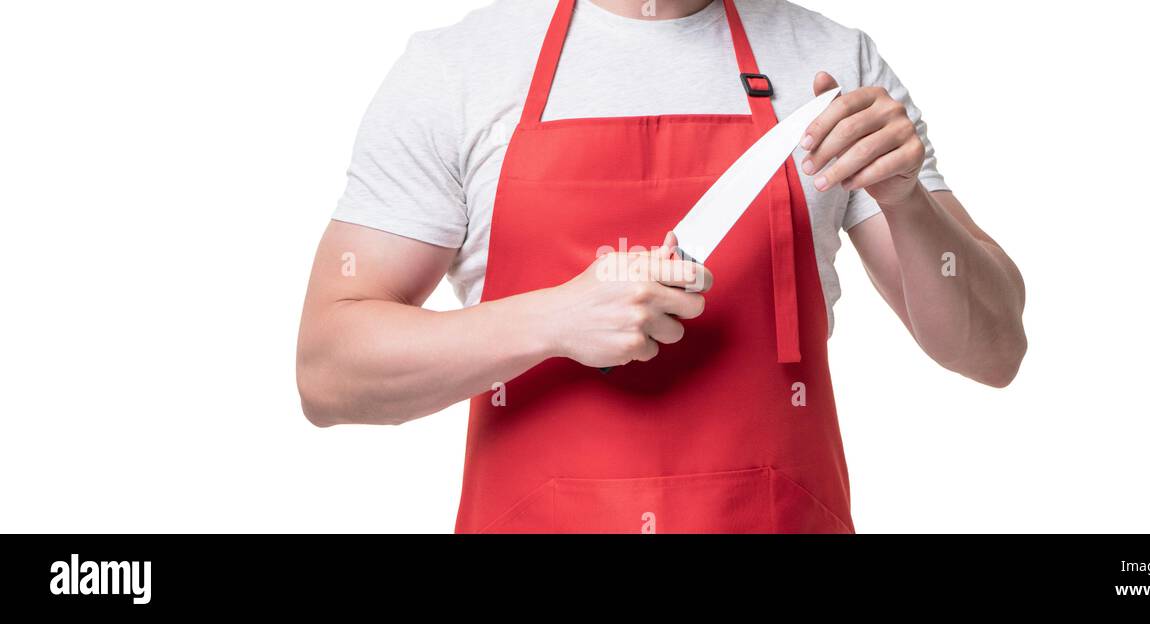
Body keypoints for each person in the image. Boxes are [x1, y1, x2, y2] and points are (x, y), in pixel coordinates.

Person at [296, 0, 1026, 533]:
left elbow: (992, 351)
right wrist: (554, 319)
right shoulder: (460, 69)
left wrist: (906, 202)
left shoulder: (832, 68)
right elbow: (331, 371)